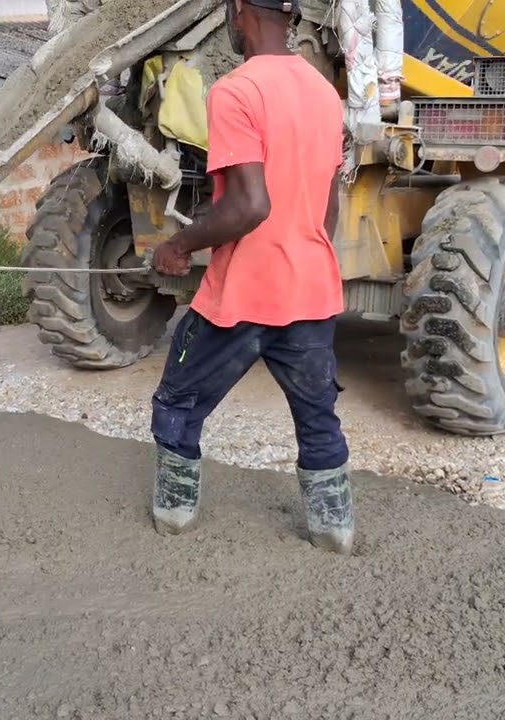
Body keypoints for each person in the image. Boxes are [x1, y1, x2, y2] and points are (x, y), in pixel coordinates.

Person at [147, 0, 353, 553]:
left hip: (243, 295)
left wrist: (179, 244)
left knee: (177, 401)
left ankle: (175, 514)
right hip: (310, 289)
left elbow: (248, 207)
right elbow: (328, 209)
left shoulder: (234, 91)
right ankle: (333, 526)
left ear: (239, 10)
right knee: (317, 415)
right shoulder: (324, 94)